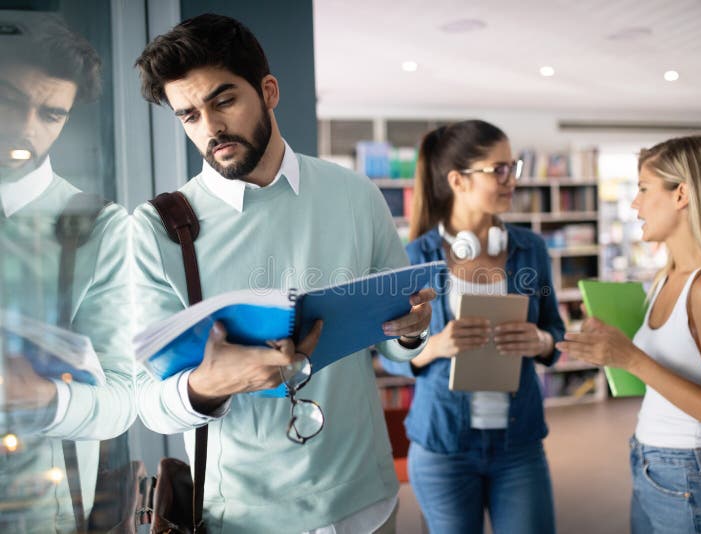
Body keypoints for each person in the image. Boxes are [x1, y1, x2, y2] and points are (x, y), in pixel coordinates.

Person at [132, 14, 434, 534]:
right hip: (246, 517)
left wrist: (410, 331)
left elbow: (395, 342)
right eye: (189, 115)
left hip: (368, 499)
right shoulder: (158, 229)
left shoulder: (356, 194)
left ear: (268, 91)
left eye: (223, 101)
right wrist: (210, 384)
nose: (210, 128)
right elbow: (147, 401)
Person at [557, 135, 701, 533]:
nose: (635, 203)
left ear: (681, 194)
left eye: (644, 189)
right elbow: (660, 375)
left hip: (693, 477)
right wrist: (615, 347)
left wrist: (630, 357)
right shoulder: (665, 278)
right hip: (651, 464)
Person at [379, 120, 565, 534]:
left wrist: (542, 340)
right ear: (458, 181)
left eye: (512, 168)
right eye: (498, 169)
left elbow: (557, 330)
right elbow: (388, 352)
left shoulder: (530, 249)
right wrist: (433, 346)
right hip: (443, 445)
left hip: (519, 443)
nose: (511, 179)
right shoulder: (415, 257)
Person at [0, 13, 134, 531]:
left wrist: (46, 399)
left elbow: (123, 399)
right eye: (9, 101)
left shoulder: (99, 228)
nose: (26, 130)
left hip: (32, 513)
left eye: (51, 114)